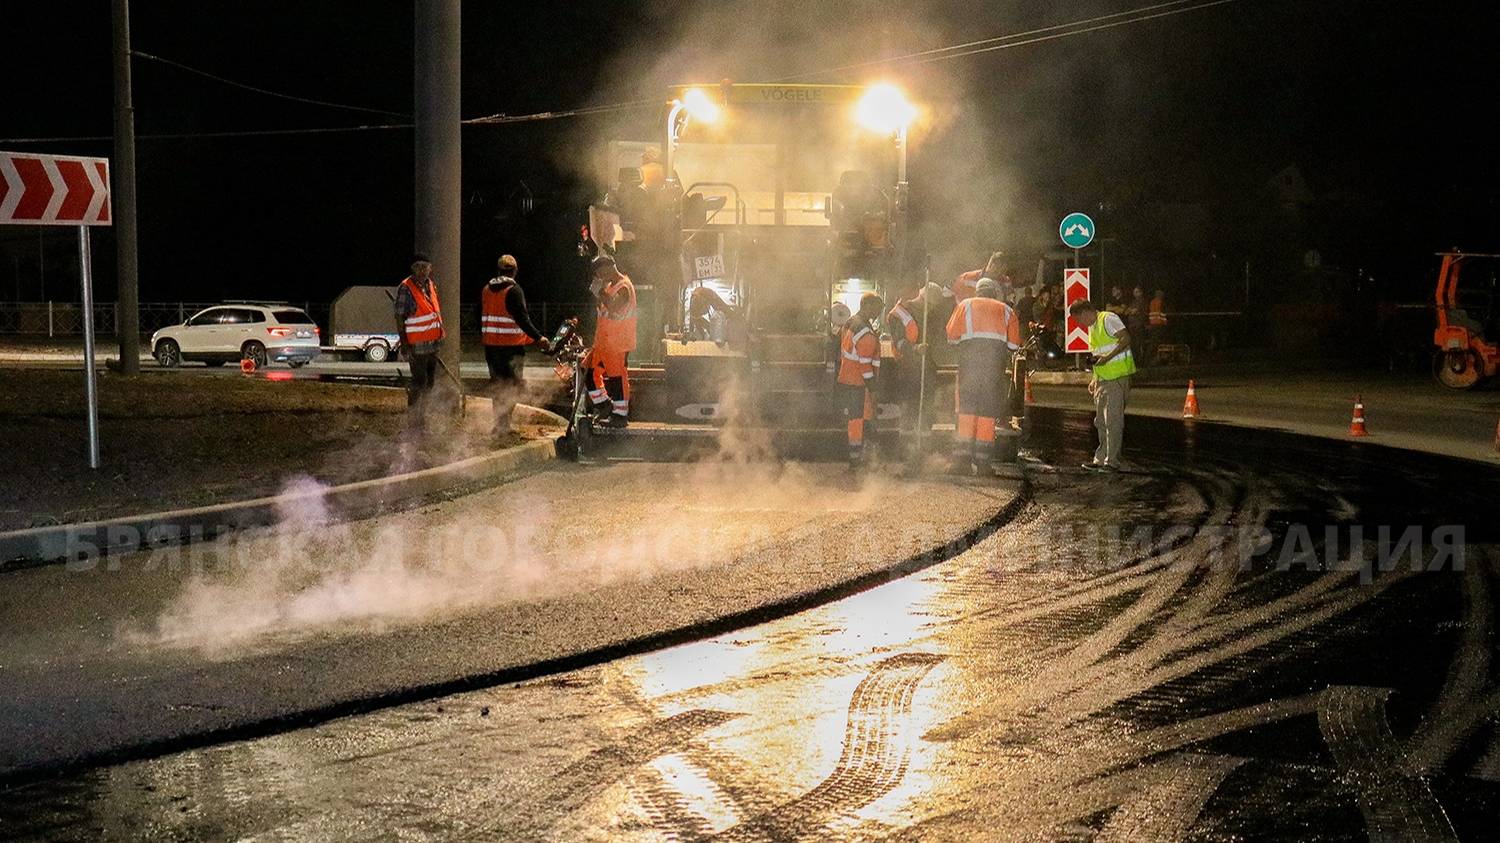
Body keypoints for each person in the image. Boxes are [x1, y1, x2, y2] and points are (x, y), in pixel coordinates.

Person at [946, 276, 1021, 474]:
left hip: (969, 370)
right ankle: (983, 463)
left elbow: (951, 337)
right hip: (993, 373)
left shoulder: (965, 305)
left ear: (977, 291)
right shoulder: (1006, 310)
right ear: (994, 292)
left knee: (967, 413)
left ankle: (961, 462)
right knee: (987, 416)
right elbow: (1014, 346)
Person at [480, 255, 549, 437]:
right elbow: (522, 318)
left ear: (499, 270)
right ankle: (505, 425)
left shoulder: (486, 289)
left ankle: (500, 424)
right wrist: (538, 337)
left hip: (491, 348)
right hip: (511, 348)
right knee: (514, 386)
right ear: (515, 271)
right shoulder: (514, 290)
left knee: (499, 385)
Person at [1069, 298, 1135, 471]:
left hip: (1117, 376)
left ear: (1085, 312)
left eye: (1078, 320)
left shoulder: (1108, 319)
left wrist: (1108, 358)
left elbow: (1126, 338)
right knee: (1101, 421)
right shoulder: (1093, 328)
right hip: (1103, 379)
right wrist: (1094, 378)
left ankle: (1112, 461)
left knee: (1112, 421)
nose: (1080, 324)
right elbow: (1097, 355)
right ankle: (1100, 458)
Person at [885, 281, 947, 437]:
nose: (933, 308)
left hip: (927, 367)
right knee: (910, 406)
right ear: (923, 299)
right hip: (908, 368)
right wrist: (915, 348)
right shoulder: (899, 314)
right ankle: (906, 447)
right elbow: (899, 342)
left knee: (926, 407)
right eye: (931, 305)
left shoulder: (930, 315)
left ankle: (924, 444)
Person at [586, 254, 637, 428]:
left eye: (599, 273)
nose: (599, 277)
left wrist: (599, 292)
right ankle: (604, 405)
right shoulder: (610, 286)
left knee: (617, 379)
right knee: (587, 372)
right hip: (603, 343)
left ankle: (620, 416)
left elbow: (615, 307)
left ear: (607, 268)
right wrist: (600, 293)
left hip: (617, 344)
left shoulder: (624, 287)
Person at [837, 292, 884, 469]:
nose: (879, 312)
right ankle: (858, 460)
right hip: (859, 383)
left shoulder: (850, 322)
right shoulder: (866, 333)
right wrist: (873, 388)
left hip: (847, 378)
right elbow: (865, 366)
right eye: (878, 307)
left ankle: (856, 458)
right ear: (868, 306)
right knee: (861, 420)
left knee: (854, 420)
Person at [394, 253, 444, 408]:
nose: (423, 271)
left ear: (430, 269)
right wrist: (404, 342)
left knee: (430, 381)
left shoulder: (431, 286)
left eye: (425, 267)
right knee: (419, 381)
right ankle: (416, 416)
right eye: (419, 267)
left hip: (433, 343)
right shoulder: (406, 288)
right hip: (416, 344)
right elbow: (399, 316)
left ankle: (424, 412)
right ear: (413, 269)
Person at [1146, 288, 1169, 365]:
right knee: (1157, 343)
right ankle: (1155, 359)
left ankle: (1148, 359)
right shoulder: (1161, 302)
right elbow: (1164, 314)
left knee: (1152, 342)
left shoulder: (1152, 302)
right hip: (1159, 325)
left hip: (1152, 325)